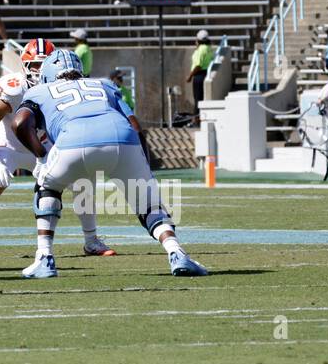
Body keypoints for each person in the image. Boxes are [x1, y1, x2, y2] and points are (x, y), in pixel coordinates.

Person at [15, 48, 207, 278]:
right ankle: (176, 253)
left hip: (73, 142)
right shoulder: (104, 84)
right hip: (123, 138)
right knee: (150, 206)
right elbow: (135, 124)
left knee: (47, 187)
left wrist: (41, 156)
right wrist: (143, 166)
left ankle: (44, 258)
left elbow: (20, 123)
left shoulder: (39, 91)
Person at [0, 40, 113, 263]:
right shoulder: (14, 88)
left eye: (44, 64)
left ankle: (91, 240)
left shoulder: (64, 87)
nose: (40, 70)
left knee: (83, 180)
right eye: (35, 65)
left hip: (44, 145)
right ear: (26, 67)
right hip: (10, 145)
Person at [187, 29, 213, 111]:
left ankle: (197, 118)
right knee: (201, 98)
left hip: (199, 75)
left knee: (198, 98)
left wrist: (190, 76)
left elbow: (198, 65)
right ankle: (198, 118)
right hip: (205, 73)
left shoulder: (201, 49)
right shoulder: (208, 47)